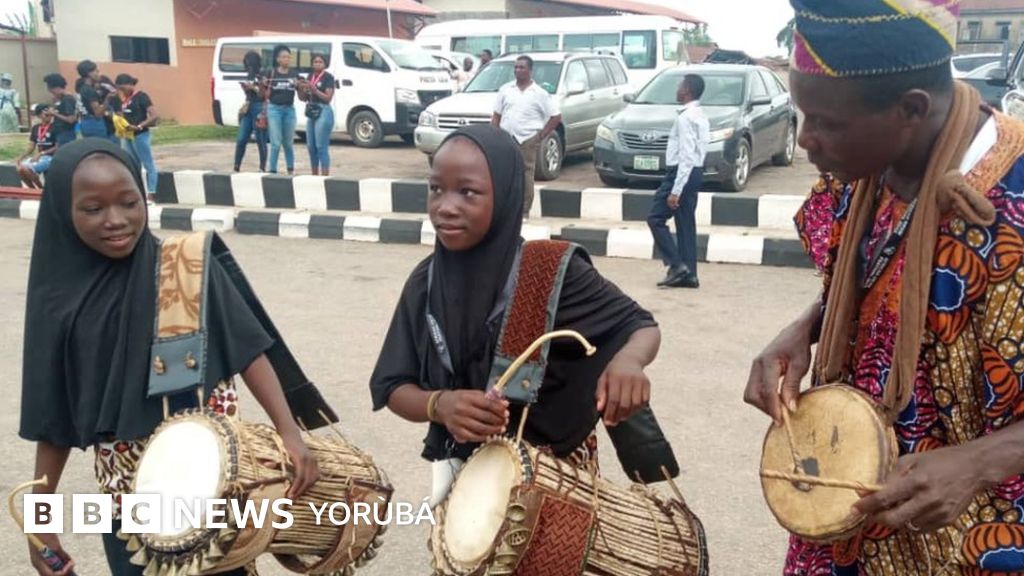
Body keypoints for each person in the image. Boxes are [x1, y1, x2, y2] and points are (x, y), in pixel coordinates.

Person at [743, 1, 1024, 574]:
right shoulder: (866, 171)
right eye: (803, 116)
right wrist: (807, 326)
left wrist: (978, 461)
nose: (805, 141)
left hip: (971, 540)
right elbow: (879, 276)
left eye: (825, 122)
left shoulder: (1012, 206)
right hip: (846, 529)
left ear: (911, 109)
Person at [19, 139, 323, 575]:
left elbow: (249, 351)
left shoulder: (186, 268)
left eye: (129, 202)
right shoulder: (59, 303)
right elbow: (54, 419)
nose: (117, 220)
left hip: (217, 488)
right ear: (62, 214)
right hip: (131, 508)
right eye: (93, 209)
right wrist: (39, 520)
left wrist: (290, 434)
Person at [370, 124, 663, 503]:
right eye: (435, 188)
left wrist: (629, 362)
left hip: (555, 482)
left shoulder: (549, 271)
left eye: (468, 192)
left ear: (507, 196)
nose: (445, 206)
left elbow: (640, 326)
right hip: (462, 481)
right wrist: (439, 405)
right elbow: (392, 385)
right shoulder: (425, 283)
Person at [647, 74, 709, 289]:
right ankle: (690, 275)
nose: (677, 88)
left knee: (655, 218)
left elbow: (686, 155)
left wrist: (676, 189)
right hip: (695, 172)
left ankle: (676, 265)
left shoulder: (685, 118)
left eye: (680, 85)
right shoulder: (700, 115)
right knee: (685, 224)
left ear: (687, 90)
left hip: (681, 173)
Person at [491, 55, 561, 217]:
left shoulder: (540, 93)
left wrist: (541, 136)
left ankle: (524, 210)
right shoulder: (506, 90)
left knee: (525, 174)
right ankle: (505, 207)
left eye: (521, 67)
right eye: (515, 67)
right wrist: (493, 135)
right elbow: (496, 115)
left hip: (527, 139)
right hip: (506, 138)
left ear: (530, 70)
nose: (518, 70)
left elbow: (556, 117)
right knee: (505, 173)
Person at [113, 73, 159, 198]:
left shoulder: (141, 96)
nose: (121, 91)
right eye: (118, 89)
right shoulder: (120, 99)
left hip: (140, 134)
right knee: (132, 164)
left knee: (148, 163)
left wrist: (140, 126)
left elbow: (154, 116)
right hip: (127, 135)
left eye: (122, 88)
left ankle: (152, 193)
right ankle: (138, 192)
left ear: (130, 85)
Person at [297, 52, 335, 176]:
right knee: (311, 146)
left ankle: (324, 176)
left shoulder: (328, 77)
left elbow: (328, 98)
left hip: (323, 110)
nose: (317, 64)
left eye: (320, 62)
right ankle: (314, 175)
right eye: (315, 62)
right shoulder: (309, 76)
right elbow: (303, 98)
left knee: (321, 146)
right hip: (312, 110)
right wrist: (299, 88)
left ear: (325, 64)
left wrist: (314, 89)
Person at [266, 44, 298, 175]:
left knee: (288, 142)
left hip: (289, 109)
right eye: (284, 57)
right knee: (276, 142)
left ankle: (290, 169)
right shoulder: (272, 73)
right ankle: (272, 170)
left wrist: (299, 85)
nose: (287, 60)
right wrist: (264, 85)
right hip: (274, 109)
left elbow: (301, 94)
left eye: (288, 57)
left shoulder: (294, 74)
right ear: (278, 59)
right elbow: (266, 94)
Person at [233, 50, 268, 172]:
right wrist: (245, 88)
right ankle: (236, 165)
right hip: (248, 106)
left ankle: (262, 166)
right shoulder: (248, 74)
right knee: (241, 138)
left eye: (250, 63)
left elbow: (262, 94)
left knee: (260, 138)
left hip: (259, 106)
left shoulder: (262, 74)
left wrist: (253, 87)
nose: (248, 66)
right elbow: (250, 93)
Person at [16, 104, 57, 189]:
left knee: (26, 169)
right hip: (40, 157)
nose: (49, 116)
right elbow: (31, 146)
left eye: (50, 114)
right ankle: (33, 190)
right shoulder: (35, 128)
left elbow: (58, 146)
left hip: (50, 156)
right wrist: (21, 157)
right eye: (46, 114)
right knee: (20, 169)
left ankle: (41, 189)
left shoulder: (55, 127)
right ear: (39, 115)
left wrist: (41, 153)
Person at [75, 60, 116, 141]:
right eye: (96, 71)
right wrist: (107, 99)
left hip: (84, 122)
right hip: (94, 123)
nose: (98, 74)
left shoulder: (81, 88)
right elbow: (98, 114)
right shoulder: (89, 90)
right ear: (89, 73)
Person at [44, 73, 78, 146]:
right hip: (61, 132)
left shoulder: (68, 99)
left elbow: (71, 119)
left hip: (66, 133)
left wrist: (54, 113)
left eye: (51, 90)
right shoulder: (61, 99)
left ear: (55, 88)